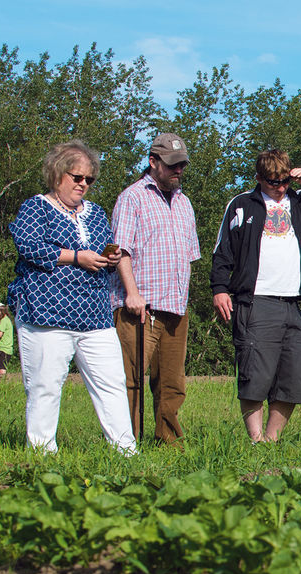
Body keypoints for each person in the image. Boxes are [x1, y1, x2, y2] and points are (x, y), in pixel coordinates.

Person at [210, 149, 301, 442]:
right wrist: (220, 289)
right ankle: (255, 439)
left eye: (284, 181)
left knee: (294, 376)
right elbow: (223, 250)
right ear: (259, 178)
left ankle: (271, 441)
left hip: (293, 302)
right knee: (255, 374)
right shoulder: (242, 205)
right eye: (273, 182)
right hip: (255, 300)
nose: (279, 188)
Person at [6, 140, 136, 455]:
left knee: (112, 385)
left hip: (94, 314)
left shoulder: (96, 213)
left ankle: (126, 451)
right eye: (77, 177)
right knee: (45, 387)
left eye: (89, 179)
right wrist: (77, 257)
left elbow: (104, 250)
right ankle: (42, 454)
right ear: (58, 174)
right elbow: (29, 247)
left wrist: (111, 257)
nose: (83, 184)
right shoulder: (36, 207)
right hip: (45, 312)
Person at [111, 132, 200, 444]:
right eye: (172, 165)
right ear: (153, 162)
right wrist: (132, 294)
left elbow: (189, 255)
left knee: (173, 383)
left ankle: (168, 442)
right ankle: (125, 442)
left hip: (175, 307)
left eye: (182, 165)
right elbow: (121, 251)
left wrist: (183, 297)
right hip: (139, 307)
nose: (178, 171)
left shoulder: (184, 203)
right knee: (130, 379)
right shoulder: (131, 198)